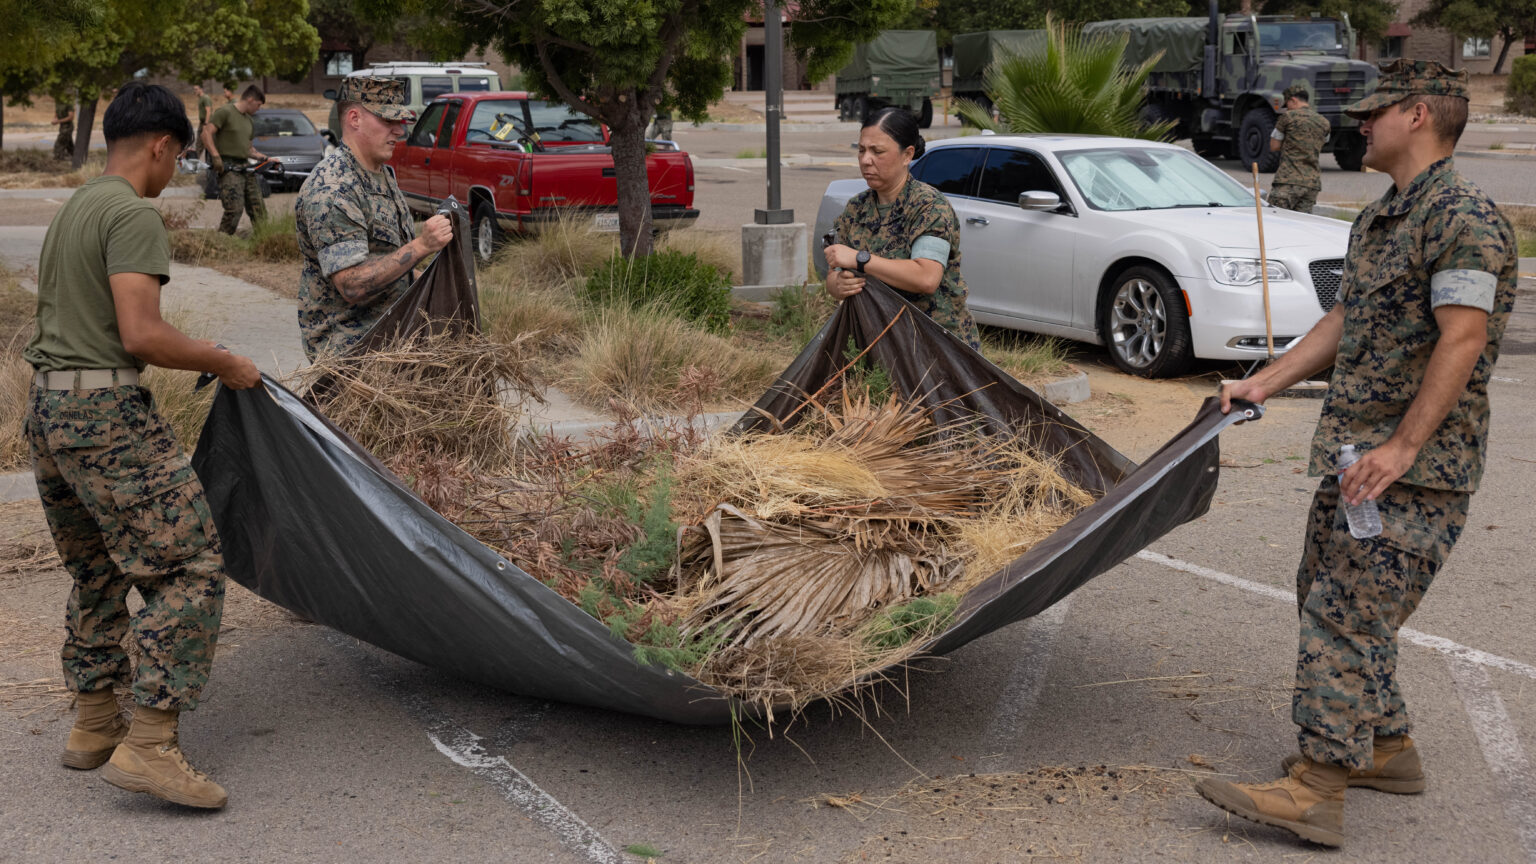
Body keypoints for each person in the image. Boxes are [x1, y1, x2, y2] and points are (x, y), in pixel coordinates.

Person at [1198, 59, 1517, 848]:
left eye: (1373, 113)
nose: (1359, 125)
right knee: (1326, 592)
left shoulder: (1463, 217)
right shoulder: (1383, 217)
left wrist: (1406, 446)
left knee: (1345, 615)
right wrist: (1262, 382)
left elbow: (1465, 337)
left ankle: (1316, 788)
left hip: (1415, 472)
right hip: (1357, 460)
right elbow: (1343, 322)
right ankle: (1384, 745)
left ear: (1416, 115)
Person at [24, 81, 262, 810]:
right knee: (188, 565)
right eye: (179, 157)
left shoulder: (78, 208)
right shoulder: (131, 213)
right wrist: (223, 360)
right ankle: (152, 746)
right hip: (105, 415)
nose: (175, 172)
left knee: (96, 567)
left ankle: (95, 723)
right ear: (161, 146)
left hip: (49, 411)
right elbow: (142, 335)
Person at [295, 77, 453, 361]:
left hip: (389, 339)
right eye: (388, 121)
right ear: (355, 118)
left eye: (400, 122)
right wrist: (422, 246)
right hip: (350, 356)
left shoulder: (381, 173)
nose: (399, 131)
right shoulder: (334, 188)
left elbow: (385, 258)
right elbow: (352, 285)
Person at [822, 106, 981, 349]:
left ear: (907, 155)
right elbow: (835, 275)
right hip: (878, 343)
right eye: (862, 150)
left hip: (936, 347)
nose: (866, 160)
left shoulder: (928, 206)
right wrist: (837, 285)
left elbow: (926, 278)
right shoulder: (857, 207)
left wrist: (861, 259)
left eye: (878, 152)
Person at [201, 85, 268, 235]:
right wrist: (215, 156)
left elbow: (249, 149)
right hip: (228, 168)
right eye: (258, 105)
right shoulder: (225, 112)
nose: (258, 109)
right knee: (234, 209)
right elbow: (206, 133)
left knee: (259, 210)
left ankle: (263, 242)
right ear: (250, 99)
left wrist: (264, 158)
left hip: (246, 168)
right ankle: (222, 242)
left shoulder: (249, 121)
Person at [1268, 82, 1332, 213]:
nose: (1287, 109)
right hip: (1311, 184)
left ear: (1293, 100)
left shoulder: (1287, 117)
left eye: (1288, 105)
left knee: (1274, 221)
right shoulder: (1324, 121)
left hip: (1287, 181)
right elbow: (1322, 143)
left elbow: (1274, 146)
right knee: (1301, 225)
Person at [51, 97, 75, 161]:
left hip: (68, 126)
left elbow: (71, 117)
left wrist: (58, 121)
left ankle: (58, 159)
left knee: (59, 143)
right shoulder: (58, 102)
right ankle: (76, 158)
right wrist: (54, 119)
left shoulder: (68, 103)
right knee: (69, 145)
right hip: (62, 127)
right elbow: (56, 113)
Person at [192, 84, 213, 159]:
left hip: (206, 122)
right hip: (202, 122)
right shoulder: (200, 98)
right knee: (199, 143)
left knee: (202, 142)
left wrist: (206, 124)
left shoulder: (205, 98)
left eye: (196, 89)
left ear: (201, 89)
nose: (195, 91)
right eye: (194, 89)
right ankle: (196, 161)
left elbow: (208, 111)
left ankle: (197, 161)